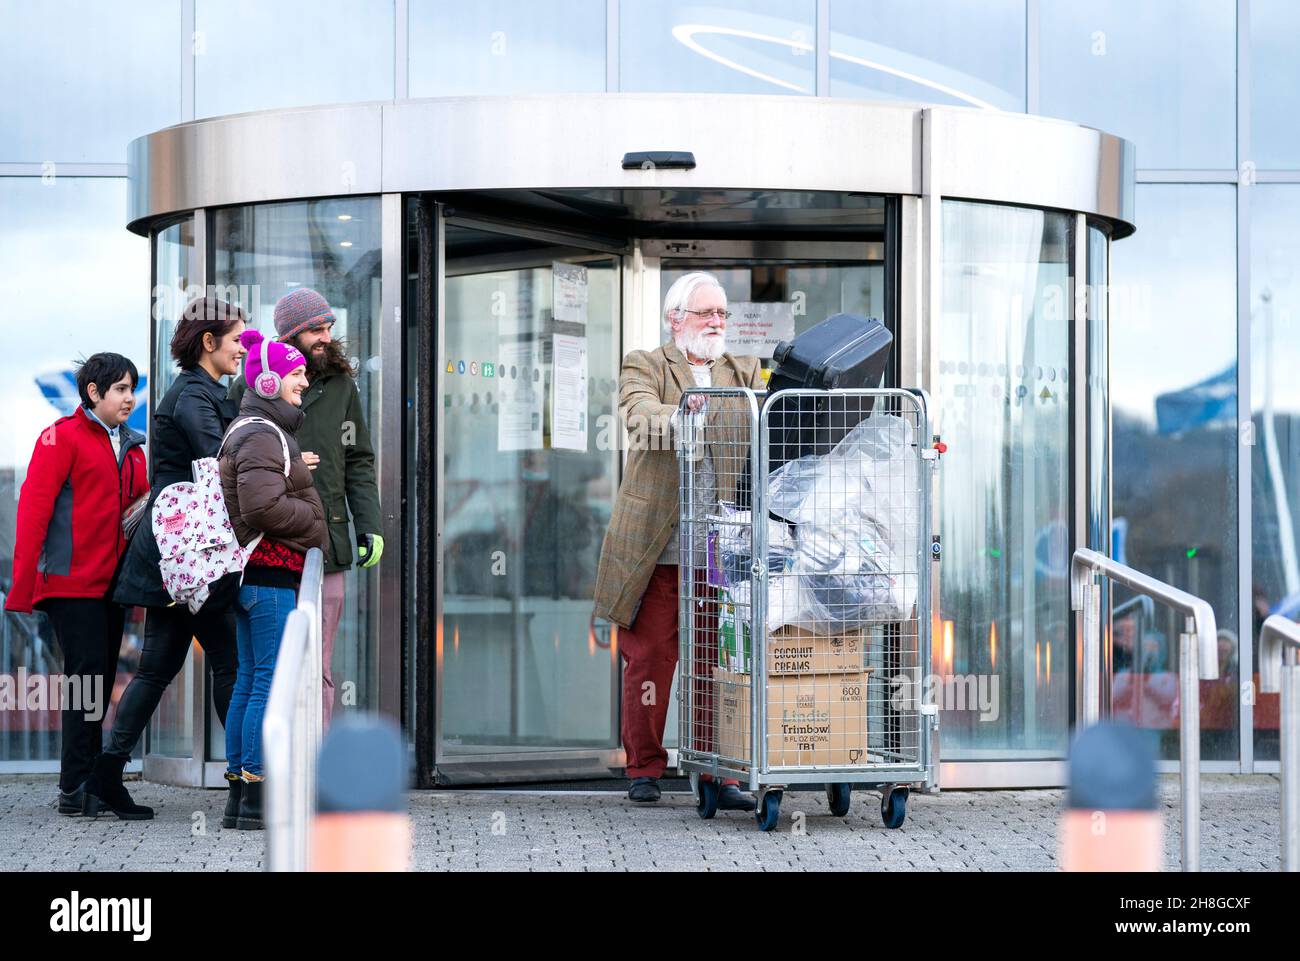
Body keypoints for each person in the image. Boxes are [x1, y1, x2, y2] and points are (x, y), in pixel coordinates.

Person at [593, 272, 765, 808]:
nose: (716, 323)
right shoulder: (644, 364)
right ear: (675, 319)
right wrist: (689, 413)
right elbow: (639, 418)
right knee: (650, 661)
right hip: (659, 547)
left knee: (719, 662)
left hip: (722, 552)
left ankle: (719, 770)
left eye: (721, 314)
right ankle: (644, 767)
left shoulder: (743, 371)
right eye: (705, 313)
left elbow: (773, 425)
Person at [82, 297, 247, 820]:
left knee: (159, 667)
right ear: (209, 342)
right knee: (229, 664)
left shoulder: (202, 392)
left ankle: (104, 776)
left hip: (175, 554)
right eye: (236, 339)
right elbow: (220, 462)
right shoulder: (193, 396)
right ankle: (248, 777)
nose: (242, 348)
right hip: (187, 555)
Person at [229, 287, 383, 728]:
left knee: (319, 664)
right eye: (316, 329)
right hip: (269, 547)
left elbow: (358, 457)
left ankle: (314, 775)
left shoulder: (340, 384)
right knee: (271, 669)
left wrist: (368, 524)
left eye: (329, 327)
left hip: (327, 540)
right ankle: (268, 773)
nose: (326, 336)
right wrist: (289, 465)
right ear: (290, 335)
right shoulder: (252, 384)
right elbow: (234, 458)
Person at [5, 353, 149, 817]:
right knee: (85, 680)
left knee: (100, 680)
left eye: (132, 388)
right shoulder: (60, 438)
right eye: (121, 389)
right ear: (93, 392)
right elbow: (33, 511)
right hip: (70, 585)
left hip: (113, 584)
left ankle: (87, 781)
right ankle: (75, 785)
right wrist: (24, 588)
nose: (130, 398)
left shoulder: (132, 446)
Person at [220, 329, 326, 830]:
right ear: (267, 381)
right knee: (267, 682)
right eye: (296, 373)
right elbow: (262, 506)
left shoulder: (256, 430)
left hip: (252, 578)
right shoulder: (263, 432)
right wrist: (313, 518)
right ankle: (260, 794)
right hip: (267, 576)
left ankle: (242, 796)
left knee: (250, 680)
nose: (304, 381)